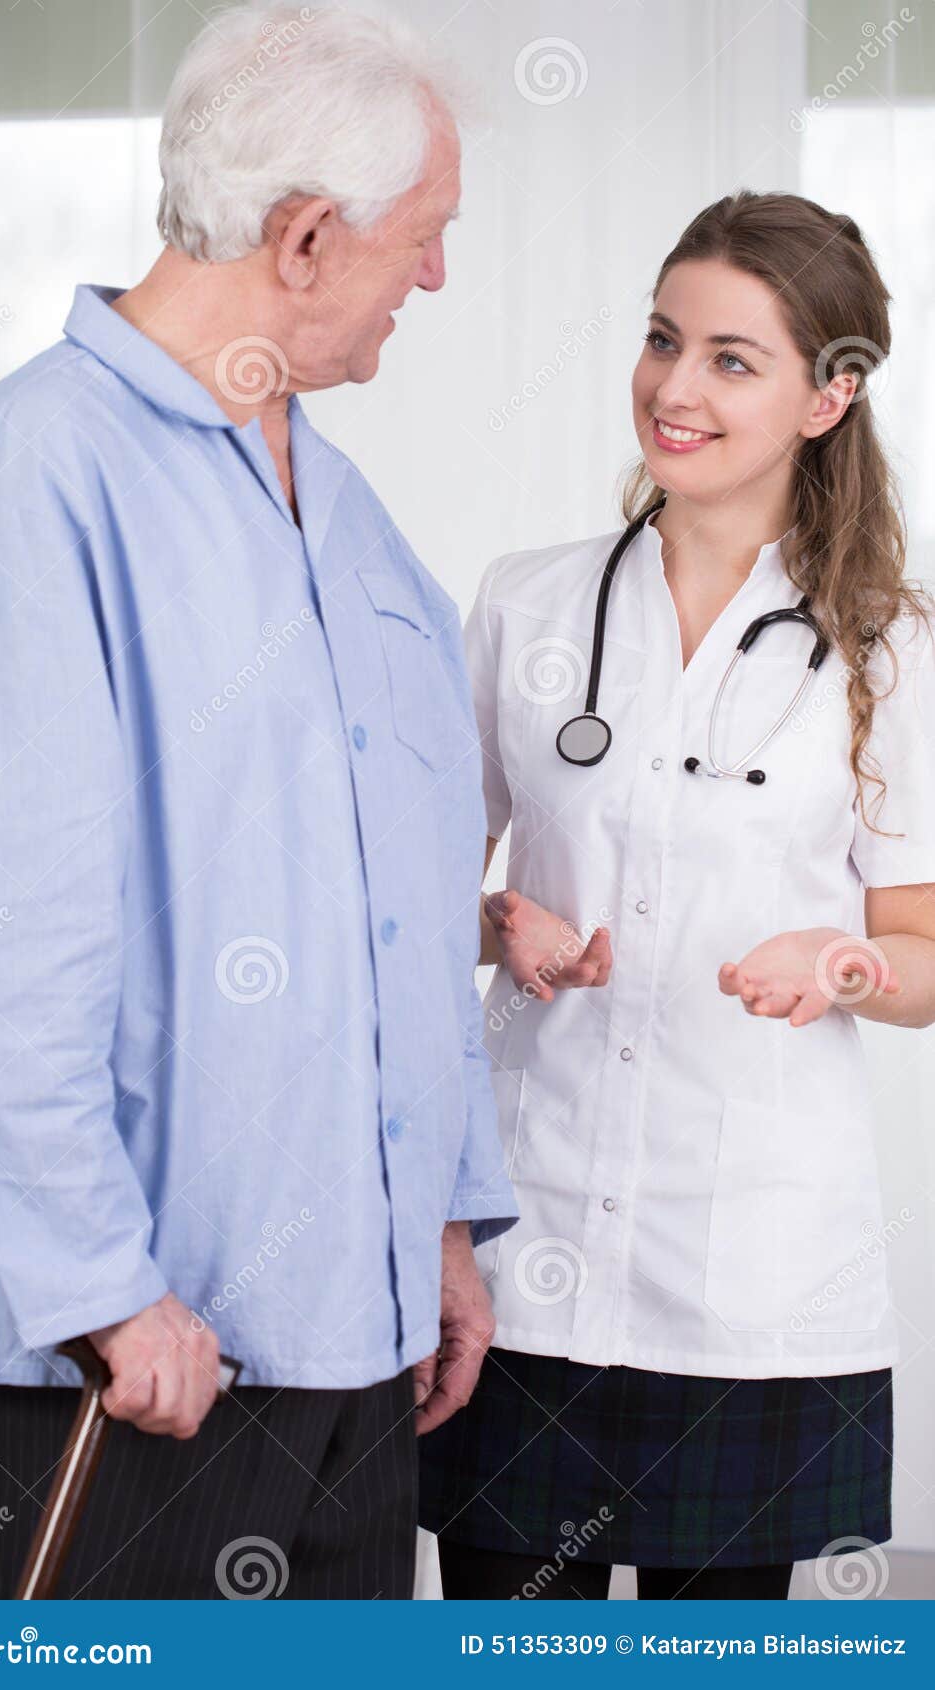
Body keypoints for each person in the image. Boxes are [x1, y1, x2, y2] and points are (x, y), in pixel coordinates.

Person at [0, 5, 516, 1600]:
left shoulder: (347, 514)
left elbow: (406, 893)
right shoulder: (35, 480)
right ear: (306, 238)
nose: (432, 276)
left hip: (358, 1343)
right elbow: (3, 928)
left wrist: (437, 1217)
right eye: (421, 237)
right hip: (162, 1346)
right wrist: (100, 1287)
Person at [419, 190, 935, 1601]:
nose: (673, 385)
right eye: (662, 338)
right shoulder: (526, 604)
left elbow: (921, 948)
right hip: (529, 1251)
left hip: (755, 1279)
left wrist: (841, 961)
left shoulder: (888, 649)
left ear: (831, 396)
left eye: (730, 357)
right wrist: (493, 923)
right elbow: (410, 900)